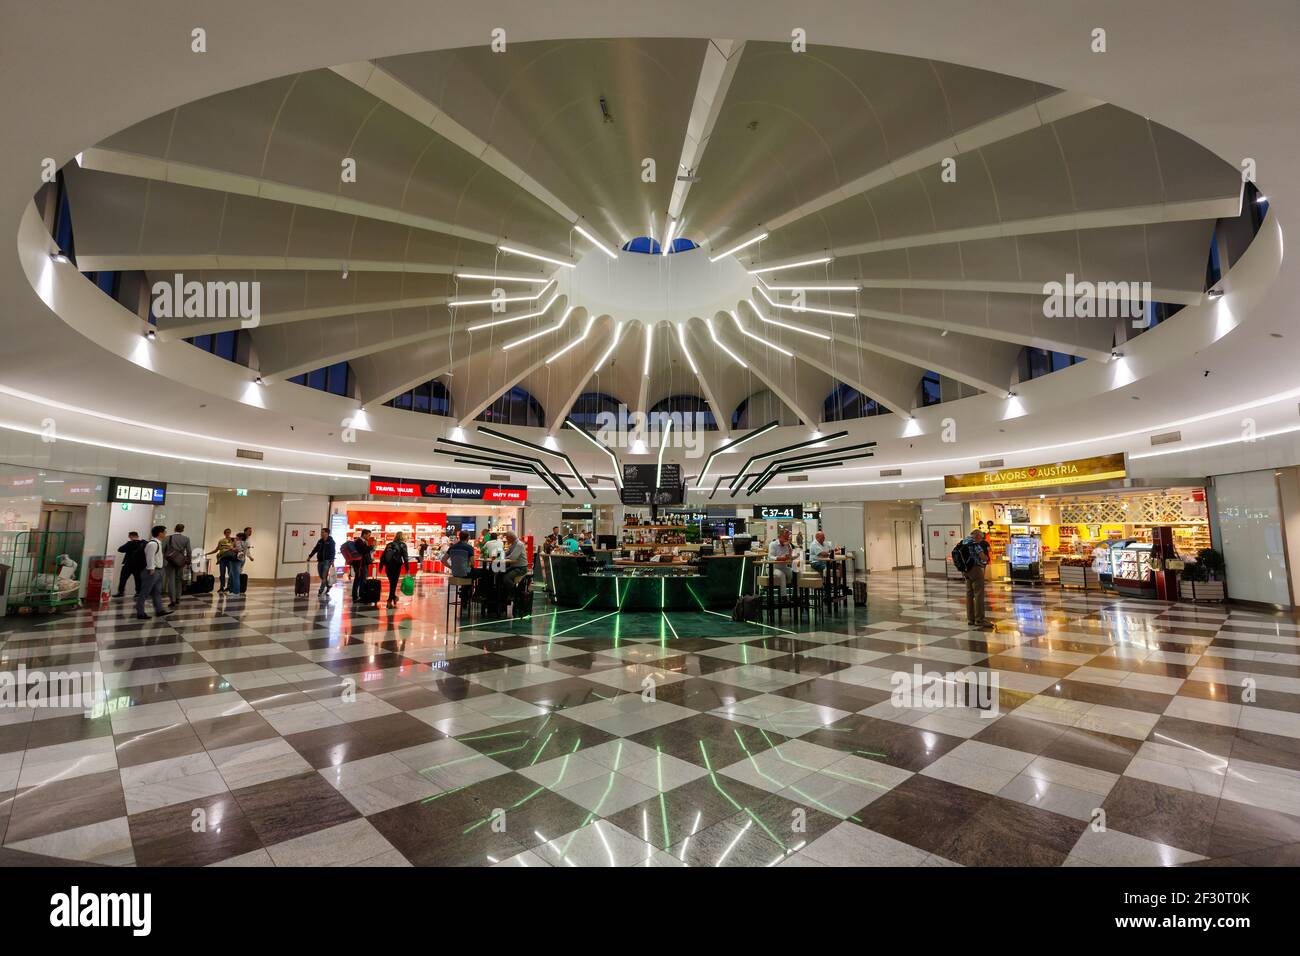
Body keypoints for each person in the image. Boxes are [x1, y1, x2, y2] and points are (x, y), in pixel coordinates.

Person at [958, 529, 993, 629]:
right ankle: (979, 619)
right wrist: (986, 558)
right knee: (979, 594)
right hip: (975, 569)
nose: (981, 540)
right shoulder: (974, 544)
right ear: (977, 536)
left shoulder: (964, 541)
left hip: (965, 570)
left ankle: (970, 619)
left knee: (969, 594)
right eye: (981, 538)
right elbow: (982, 556)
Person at [135, 525, 171, 619]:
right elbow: (149, 557)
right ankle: (140, 613)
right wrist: (151, 569)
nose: (165, 534)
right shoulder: (153, 544)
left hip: (158, 571)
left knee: (157, 592)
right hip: (152, 571)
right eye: (165, 532)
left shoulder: (158, 543)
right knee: (145, 592)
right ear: (160, 533)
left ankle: (159, 610)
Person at [163, 523, 191, 608]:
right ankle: (178, 597)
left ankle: (172, 600)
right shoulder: (186, 539)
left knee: (171, 580)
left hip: (170, 561)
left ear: (175, 528)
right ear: (182, 530)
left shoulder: (168, 538)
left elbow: (163, 549)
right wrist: (188, 560)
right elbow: (189, 551)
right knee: (178, 579)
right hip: (180, 561)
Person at [381, 531, 410, 608]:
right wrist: (407, 568)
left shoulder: (389, 544)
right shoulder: (403, 545)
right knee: (393, 583)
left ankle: (394, 598)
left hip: (388, 566)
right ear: (402, 537)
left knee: (392, 583)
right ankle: (389, 601)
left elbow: (383, 555)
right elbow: (405, 557)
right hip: (396, 566)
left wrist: (381, 566)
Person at [114, 531, 145, 597]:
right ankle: (138, 592)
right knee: (138, 579)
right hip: (139, 565)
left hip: (129, 564)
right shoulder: (144, 543)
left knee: (123, 578)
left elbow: (120, 549)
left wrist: (129, 548)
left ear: (130, 536)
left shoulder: (130, 543)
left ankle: (121, 592)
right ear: (137, 536)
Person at [307, 527, 335, 596]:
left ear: (327, 533)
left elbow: (333, 551)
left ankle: (321, 590)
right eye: (321, 532)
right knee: (321, 576)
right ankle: (328, 586)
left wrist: (332, 560)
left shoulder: (331, 541)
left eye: (323, 532)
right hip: (320, 561)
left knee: (324, 575)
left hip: (327, 561)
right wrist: (310, 556)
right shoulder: (320, 541)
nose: (321, 533)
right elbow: (315, 549)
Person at [767, 528, 795, 594]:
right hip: (772, 568)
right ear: (779, 537)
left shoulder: (788, 545)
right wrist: (779, 558)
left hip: (783, 567)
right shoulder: (773, 544)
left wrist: (790, 552)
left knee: (796, 573)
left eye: (787, 538)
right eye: (785, 538)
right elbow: (770, 557)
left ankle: (797, 594)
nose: (787, 540)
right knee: (782, 575)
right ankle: (784, 597)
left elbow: (790, 558)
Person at [207, 528, 236, 592]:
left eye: (229, 532)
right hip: (222, 559)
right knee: (222, 573)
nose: (228, 533)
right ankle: (222, 586)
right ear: (224, 533)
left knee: (230, 573)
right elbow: (216, 549)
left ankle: (229, 586)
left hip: (230, 559)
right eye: (226, 532)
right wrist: (208, 553)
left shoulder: (233, 540)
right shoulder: (221, 541)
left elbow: (236, 549)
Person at [351, 530, 374, 602]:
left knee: (361, 579)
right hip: (360, 564)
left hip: (362, 563)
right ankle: (356, 596)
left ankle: (360, 595)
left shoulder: (362, 541)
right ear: (364, 534)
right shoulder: (359, 542)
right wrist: (371, 547)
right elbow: (363, 551)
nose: (369, 537)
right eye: (368, 535)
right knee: (359, 580)